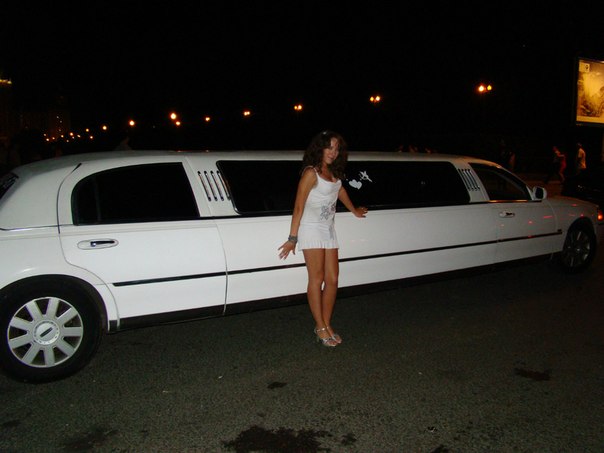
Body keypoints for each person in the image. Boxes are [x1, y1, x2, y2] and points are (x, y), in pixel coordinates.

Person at [278, 130, 368, 347]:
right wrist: (292, 238)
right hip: (311, 229)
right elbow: (298, 206)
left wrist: (354, 210)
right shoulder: (311, 173)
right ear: (320, 148)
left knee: (333, 279)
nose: (333, 152)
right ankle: (320, 327)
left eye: (336, 149)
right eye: (329, 147)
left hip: (328, 229)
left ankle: (327, 323)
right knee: (316, 279)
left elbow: (340, 191)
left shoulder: (333, 172)